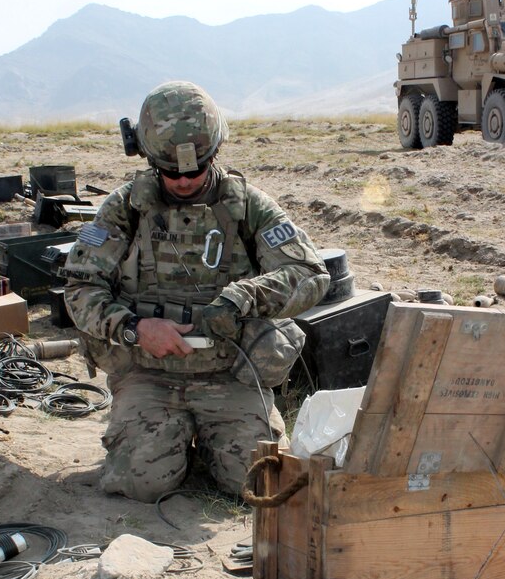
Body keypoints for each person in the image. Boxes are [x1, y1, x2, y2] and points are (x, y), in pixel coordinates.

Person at [63, 80, 329, 504]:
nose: (184, 180)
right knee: (140, 482)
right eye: (171, 171)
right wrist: (133, 328)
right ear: (148, 158)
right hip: (147, 374)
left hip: (227, 373)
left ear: (215, 153)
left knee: (260, 484)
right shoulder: (125, 208)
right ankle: (166, 437)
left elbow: (310, 274)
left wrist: (246, 296)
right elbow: (80, 288)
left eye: (196, 169)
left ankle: (209, 440)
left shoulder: (248, 206)